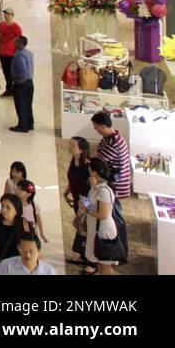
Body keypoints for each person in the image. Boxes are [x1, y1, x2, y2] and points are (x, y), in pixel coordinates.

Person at [79, 157, 122, 274]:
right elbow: (92, 204)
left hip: (103, 231)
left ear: (94, 172)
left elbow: (103, 214)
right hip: (96, 229)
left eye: (89, 170)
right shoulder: (97, 186)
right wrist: (85, 203)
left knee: (106, 267)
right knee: (101, 264)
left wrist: (85, 209)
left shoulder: (104, 191)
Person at [64, 136, 93, 267]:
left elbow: (93, 188)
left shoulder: (87, 166)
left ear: (81, 150)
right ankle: (83, 255)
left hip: (86, 202)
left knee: (85, 227)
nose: (69, 147)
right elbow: (72, 179)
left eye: (73, 146)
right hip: (77, 201)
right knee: (81, 228)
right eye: (70, 144)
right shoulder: (73, 161)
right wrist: (66, 193)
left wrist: (86, 206)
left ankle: (90, 260)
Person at [92, 112, 132, 199]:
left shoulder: (113, 143)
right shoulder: (111, 136)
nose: (94, 128)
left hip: (116, 186)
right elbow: (98, 150)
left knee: (110, 208)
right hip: (113, 180)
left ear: (103, 126)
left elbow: (97, 159)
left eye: (96, 126)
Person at [9, 35, 35, 133]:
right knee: (28, 104)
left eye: (16, 42)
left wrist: (18, 82)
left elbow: (23, 71)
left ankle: (23, 126)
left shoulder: (19, 55)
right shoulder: (29, 53)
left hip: (22, 83)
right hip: (30, 82)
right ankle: (29, 123)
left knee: (21, 105)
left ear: (21, 44)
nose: (15, 43)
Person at [0, 9, 21, 96]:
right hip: (3, 53)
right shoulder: (1, 25)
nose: (6, 15)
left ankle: (13, 89)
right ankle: (9, 88)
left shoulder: (16, 28)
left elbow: (20, 41)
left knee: (12, 73)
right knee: (6, 72)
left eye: (8, 14)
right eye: (5, 13)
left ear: (12, 15)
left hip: (12, 54)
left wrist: (17, 53)